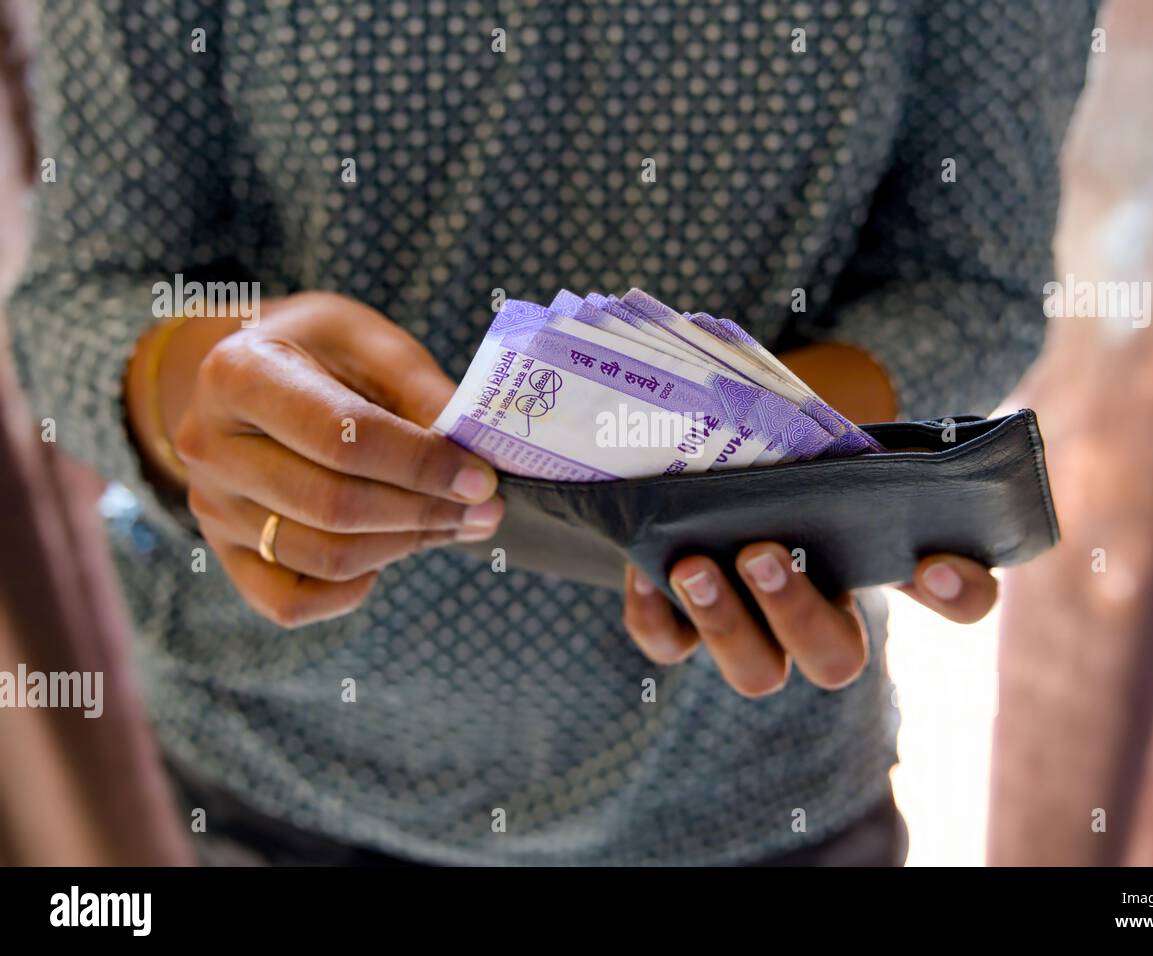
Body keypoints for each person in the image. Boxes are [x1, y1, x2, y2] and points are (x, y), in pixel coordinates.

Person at [6, 1, 1096, 865]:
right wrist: (198, 392)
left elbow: (966, 282)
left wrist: (765, 474)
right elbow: (78, 296)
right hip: (277, 777)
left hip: (747, 788)